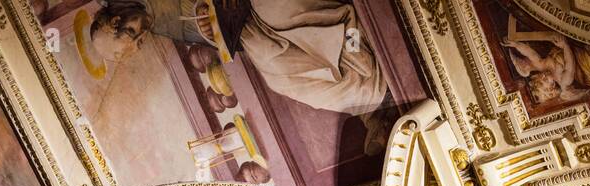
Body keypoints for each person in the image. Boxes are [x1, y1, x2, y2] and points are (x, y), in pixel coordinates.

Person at [94, 0, 392, 152]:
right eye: (140, 40)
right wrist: (209, 30)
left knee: (280, 11)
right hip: (244, 24)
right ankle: (368, 101)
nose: (143, 32)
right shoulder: (157, 23)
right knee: (277, 72)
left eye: (133, 31)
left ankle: (354, 34)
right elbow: (201, 27)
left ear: (116, 19)